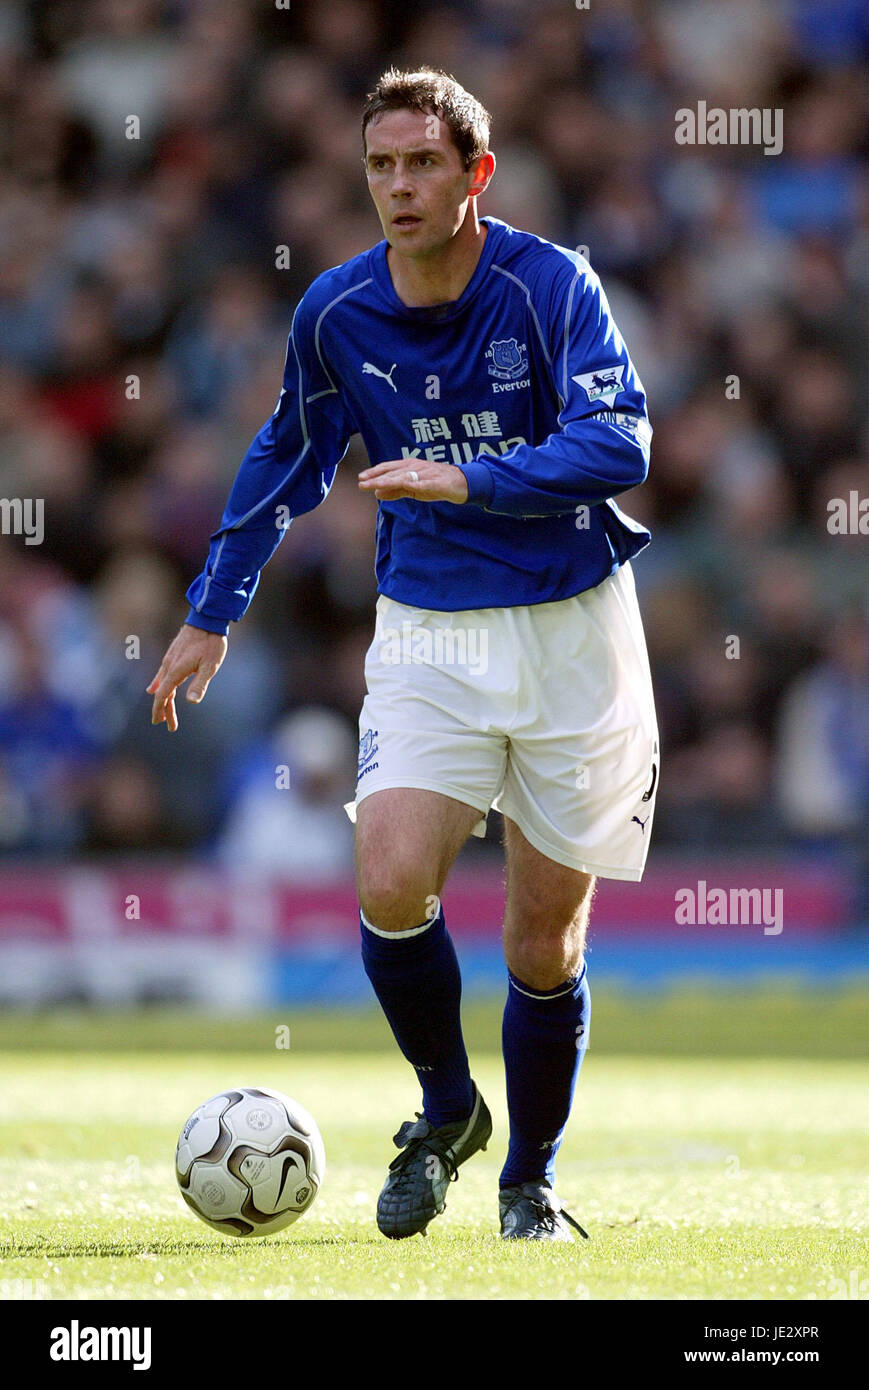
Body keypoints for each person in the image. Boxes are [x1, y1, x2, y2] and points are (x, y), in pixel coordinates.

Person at [147, 67, 659, 1243]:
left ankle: (527, 1180)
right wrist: (211, 609)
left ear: (475, 174)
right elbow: (284, 457)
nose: (398, 186)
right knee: (387, 875)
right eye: (380, 166)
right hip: (426, 625)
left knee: (542, 941)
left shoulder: (547, 286)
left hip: (571, 625)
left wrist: (469, 477)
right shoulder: (334, 311)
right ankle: (443, 1109)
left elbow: (617, 436)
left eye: (423, 163)